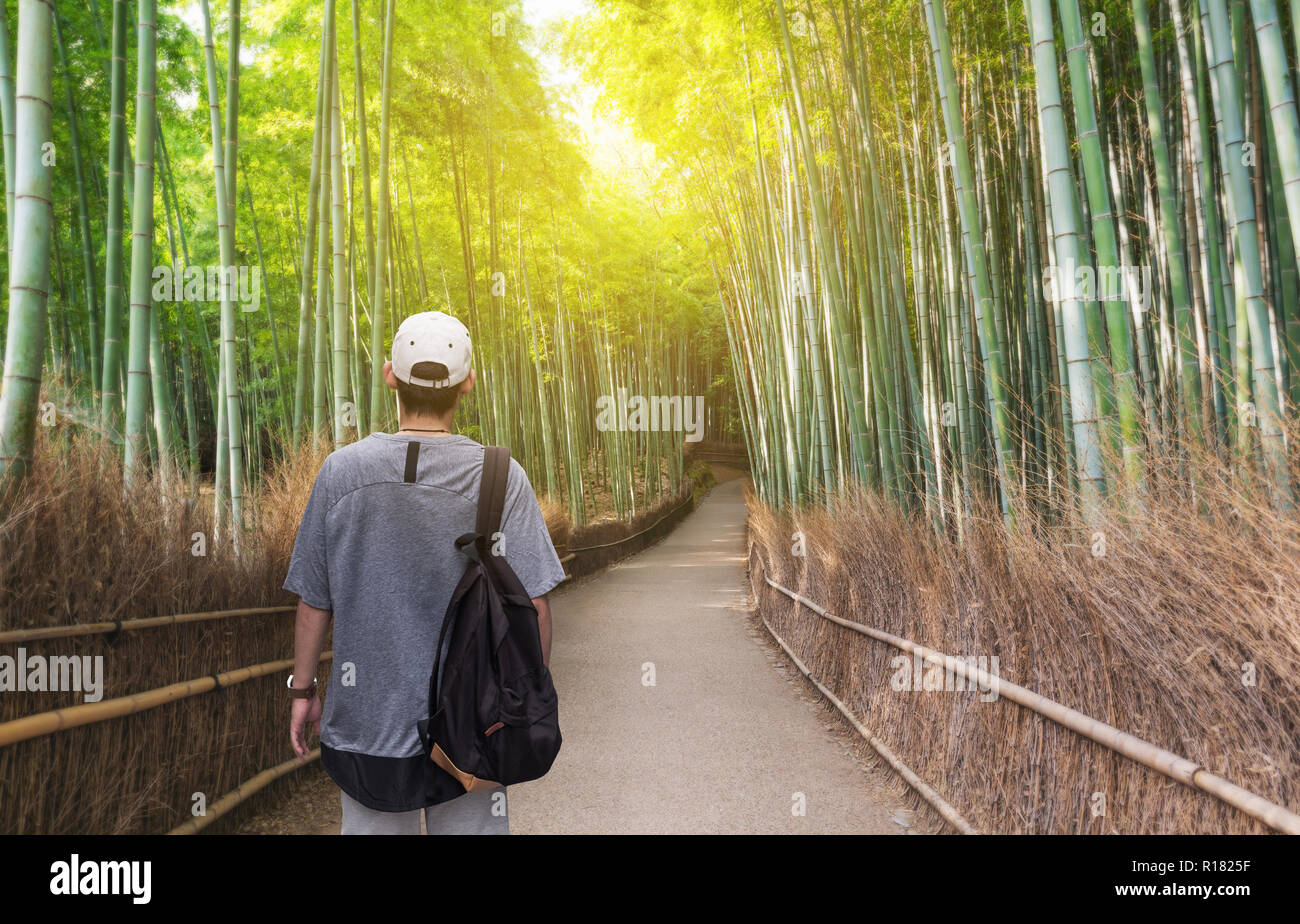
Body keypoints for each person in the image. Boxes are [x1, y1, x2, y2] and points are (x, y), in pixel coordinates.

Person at [284, 310, 566, 835]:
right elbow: (536, 609)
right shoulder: (500, 477)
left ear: (389, 374)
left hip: (365, 734)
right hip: (473, 731)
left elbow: (313, 604)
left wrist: (303, 692)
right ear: (468, 384)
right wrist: (519, 705)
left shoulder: (340, 473)